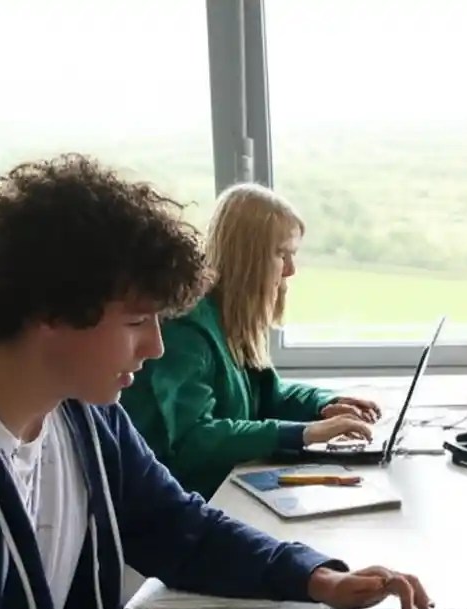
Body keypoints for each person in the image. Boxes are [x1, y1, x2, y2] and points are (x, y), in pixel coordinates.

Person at [0, 155, 428, 609]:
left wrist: (319, 577)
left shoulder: (85, 417)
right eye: (136, 322)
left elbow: (180, 528)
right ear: (51, 311)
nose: (156, 348)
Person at [121, 183, 380, 497]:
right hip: (190, 502)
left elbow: (267, 394)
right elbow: (193, 437)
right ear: (249, 257)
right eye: (282, 254)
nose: (290, 270)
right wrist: (304, 434)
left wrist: (324, 403)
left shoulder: (229, 317)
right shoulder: (185, 329)